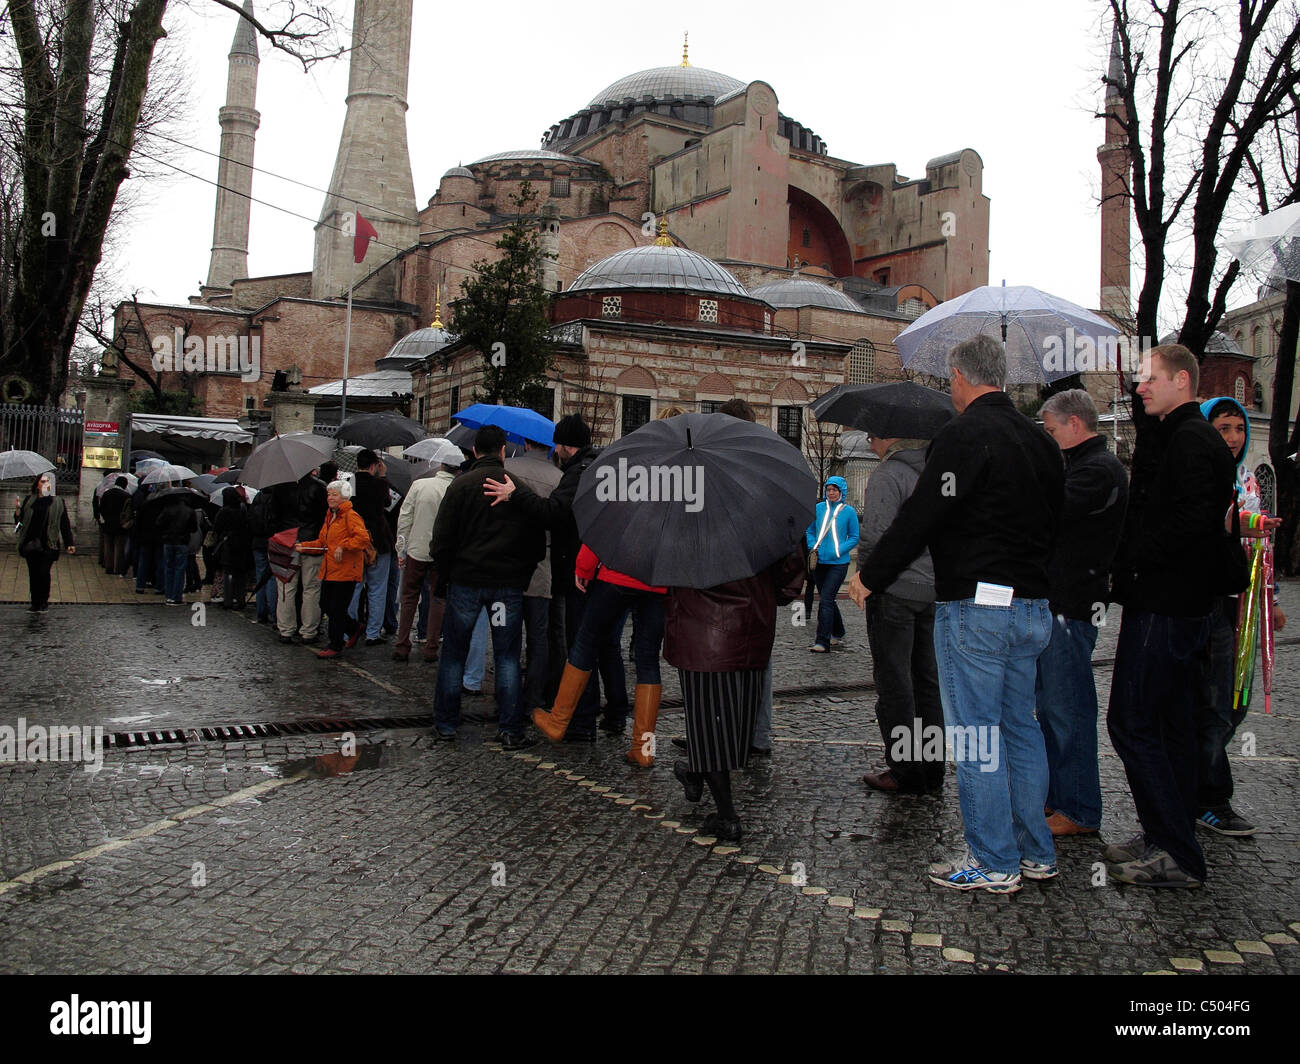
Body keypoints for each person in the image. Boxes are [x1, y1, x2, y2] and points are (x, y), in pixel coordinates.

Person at [850, 334, 1065, 893]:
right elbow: (1057, 521)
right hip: (1033, 606)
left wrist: (870, 577)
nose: (951, 389)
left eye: (951, 380)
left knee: (975, 736)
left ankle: (994, 861)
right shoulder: (1041, 441)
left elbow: (923, 515)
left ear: (963, 377)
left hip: (977, 608)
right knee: (1021, 729)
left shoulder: (961, 434)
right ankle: (1035, 851)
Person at [1105, 345, 1237, 888]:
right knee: (1171, 724)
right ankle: (1167, 833)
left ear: (1181, 381)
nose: (1140, 388)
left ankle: (1177, 850)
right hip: (1173, 602)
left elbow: (1185, 526)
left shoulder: (1188, 440)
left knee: (1130, 722)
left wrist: (1128, 566)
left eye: (1149, 379)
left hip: (1164, 603)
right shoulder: (1180, 436)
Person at [1032, 389, 1129, 836]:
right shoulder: (1081, 467)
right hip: (1063, 603)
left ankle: (1077, 808)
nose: (1048, 439)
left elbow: (1051, 513)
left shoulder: (1097, 471)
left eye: (1050, 431)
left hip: (1071, 607)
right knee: (1054, 707)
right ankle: (1061, 800)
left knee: (1066, 707)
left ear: (1074, 424)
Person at [1192, 396, 1285, 837]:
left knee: (1237, 702)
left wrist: (1274, 596)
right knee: (1219, 705)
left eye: (1238, 428)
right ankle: (1210, 797)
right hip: (1211, 604)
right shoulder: (1201, 478)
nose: (1232, 438)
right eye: (1222, 428)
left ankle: (1197, 786)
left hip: (1246, 606)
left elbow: (1264, 548)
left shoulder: (1248, 479)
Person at [482, 414, 604, 740]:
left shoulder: (576, 473)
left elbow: (554, 513)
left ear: (563, 445)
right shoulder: (582, 469)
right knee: (558, 640)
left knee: (568, 644)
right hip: (563, 572)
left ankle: (575, 719)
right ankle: (558, 707)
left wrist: (516, 495)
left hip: (561, 571)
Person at [669, 552, 805, 840]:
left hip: (702, 629)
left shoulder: (685, 514)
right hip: (751, 628)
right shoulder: (763, 511)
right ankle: (695, 772)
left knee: (707, 719)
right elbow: (790, 571)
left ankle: (727, 816)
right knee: (732, 715)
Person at [430, 425, 544, 749]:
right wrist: (520, 575)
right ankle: (510, 729)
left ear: (475, 452)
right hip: (506, 586)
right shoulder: (517, 488)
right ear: (504, 450)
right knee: (507, 657)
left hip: (466, 583)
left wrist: (447, 575)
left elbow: (440, 541)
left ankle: (446, 725)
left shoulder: (460, 486)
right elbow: (536, 543)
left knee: (454, 654)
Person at [856, 434, 944, 794]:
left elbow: (876, 536)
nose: (869, 441)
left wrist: (865, 576)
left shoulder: (887, 475)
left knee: (895, 683)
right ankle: (932, 766)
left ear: (890, 437)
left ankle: (905, 769)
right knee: (927, 683)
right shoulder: (938, 473)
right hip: (932, 590)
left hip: (894, 590)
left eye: (873, 435)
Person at [505, 439, 563, 699]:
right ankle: (533, 697)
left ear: (526, 442)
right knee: (539, 638)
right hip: (543, 567)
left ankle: (507, 693)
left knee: (507, 635)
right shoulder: (559, 477)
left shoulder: (506, 469)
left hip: (508, 563)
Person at [296, 479, 371, 659]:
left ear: (344, 497)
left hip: (346, 571)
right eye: (329, 494)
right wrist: (304, 546)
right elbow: (323, 542)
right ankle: (353, 628)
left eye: (334, 494)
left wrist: (343, 546)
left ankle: (335, 644)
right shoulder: (330, 516)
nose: (330, 497)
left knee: (336, 608)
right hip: (330, 569)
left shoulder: (350, 516)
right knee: (326, 604)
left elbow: (362, 539)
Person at [393, 457, 458, 661]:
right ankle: (431, 647)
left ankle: (402, 643)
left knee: (409, 596)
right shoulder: (456, 488)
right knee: (438, 598)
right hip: (443, 552)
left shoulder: (420, 485)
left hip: (417, 549)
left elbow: (405, 518)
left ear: (441, 466)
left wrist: (401, 549)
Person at [805, 475, 858, 652]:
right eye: (828, 489)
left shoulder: (849, 512)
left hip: (838, 564)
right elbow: (810, 530)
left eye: (835, 490)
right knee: (828, 599)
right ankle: (839, 631)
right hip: (819, 562)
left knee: (825, 600)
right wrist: (813, 546)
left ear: (841, 492)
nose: (831, 493)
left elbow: (854, 537)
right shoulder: (818, 508)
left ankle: (822, 641)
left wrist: (838, 551)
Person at [276, 468, 329, 645]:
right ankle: (309, 630)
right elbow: (325, 516)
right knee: (311, 588)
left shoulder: (281, 487)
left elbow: (273, 515)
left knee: (286, 588)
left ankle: (285, 629)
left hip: (286, 539)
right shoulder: (319, 487)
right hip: (312, 541)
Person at [350, 450, 396, 645]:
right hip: (378, 540)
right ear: (374, 465)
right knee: (377, 588)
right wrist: (383, 475)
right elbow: (387, 504)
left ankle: (349, 630)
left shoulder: (350, 483)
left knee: (354, 587)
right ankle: (372, 633)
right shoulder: (380, 483)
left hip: (356, 539)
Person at [16, 472, 75, 612]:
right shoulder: (30, 500)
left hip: (49, 544)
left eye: (48, 481)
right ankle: (35, 602)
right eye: (42, 481)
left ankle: (43, 601)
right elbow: (20, 524)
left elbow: (64, 524)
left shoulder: (57, 502)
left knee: (43, 572)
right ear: (37, 485)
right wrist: (18, 511)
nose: (45, 484)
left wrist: (69, 543)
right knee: (33, 574)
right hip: (31, 544)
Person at [212, 487, 254, 611]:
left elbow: (217, 528)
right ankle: (240, 599)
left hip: (228, 544)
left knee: (228, 573)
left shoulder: (224, 511)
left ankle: (228, 600)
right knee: (240, 574)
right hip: (242, 544)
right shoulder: (243, 508)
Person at [155, 489, 198, 606]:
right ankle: (176, 596)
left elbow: (158, 523)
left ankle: (168, 595)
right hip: (182, 542)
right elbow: (194, 528)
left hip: (168, 541)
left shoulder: (167, 509)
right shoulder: (190, 511)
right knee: (180, 570)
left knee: (169, 568)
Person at [99, 476, 131, 576]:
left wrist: (106, 518)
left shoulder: (106, 493)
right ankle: (117, 568)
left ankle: (109, 567)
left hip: (108, 523)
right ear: (125, 485)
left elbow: (101, 508)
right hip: (120, 525)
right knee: (119, 547)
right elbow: (127, 511)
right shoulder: (126, 495)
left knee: (108, 546)